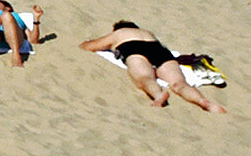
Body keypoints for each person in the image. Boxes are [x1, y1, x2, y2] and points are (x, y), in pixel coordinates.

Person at [80, 22, 227, 111]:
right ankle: (204, 103)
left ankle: (158, 96)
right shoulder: (147, 33)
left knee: (144, 78)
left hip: (134, 49)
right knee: (179, 83)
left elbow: (90, 46)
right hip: (159, 51)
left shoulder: (120, 33)